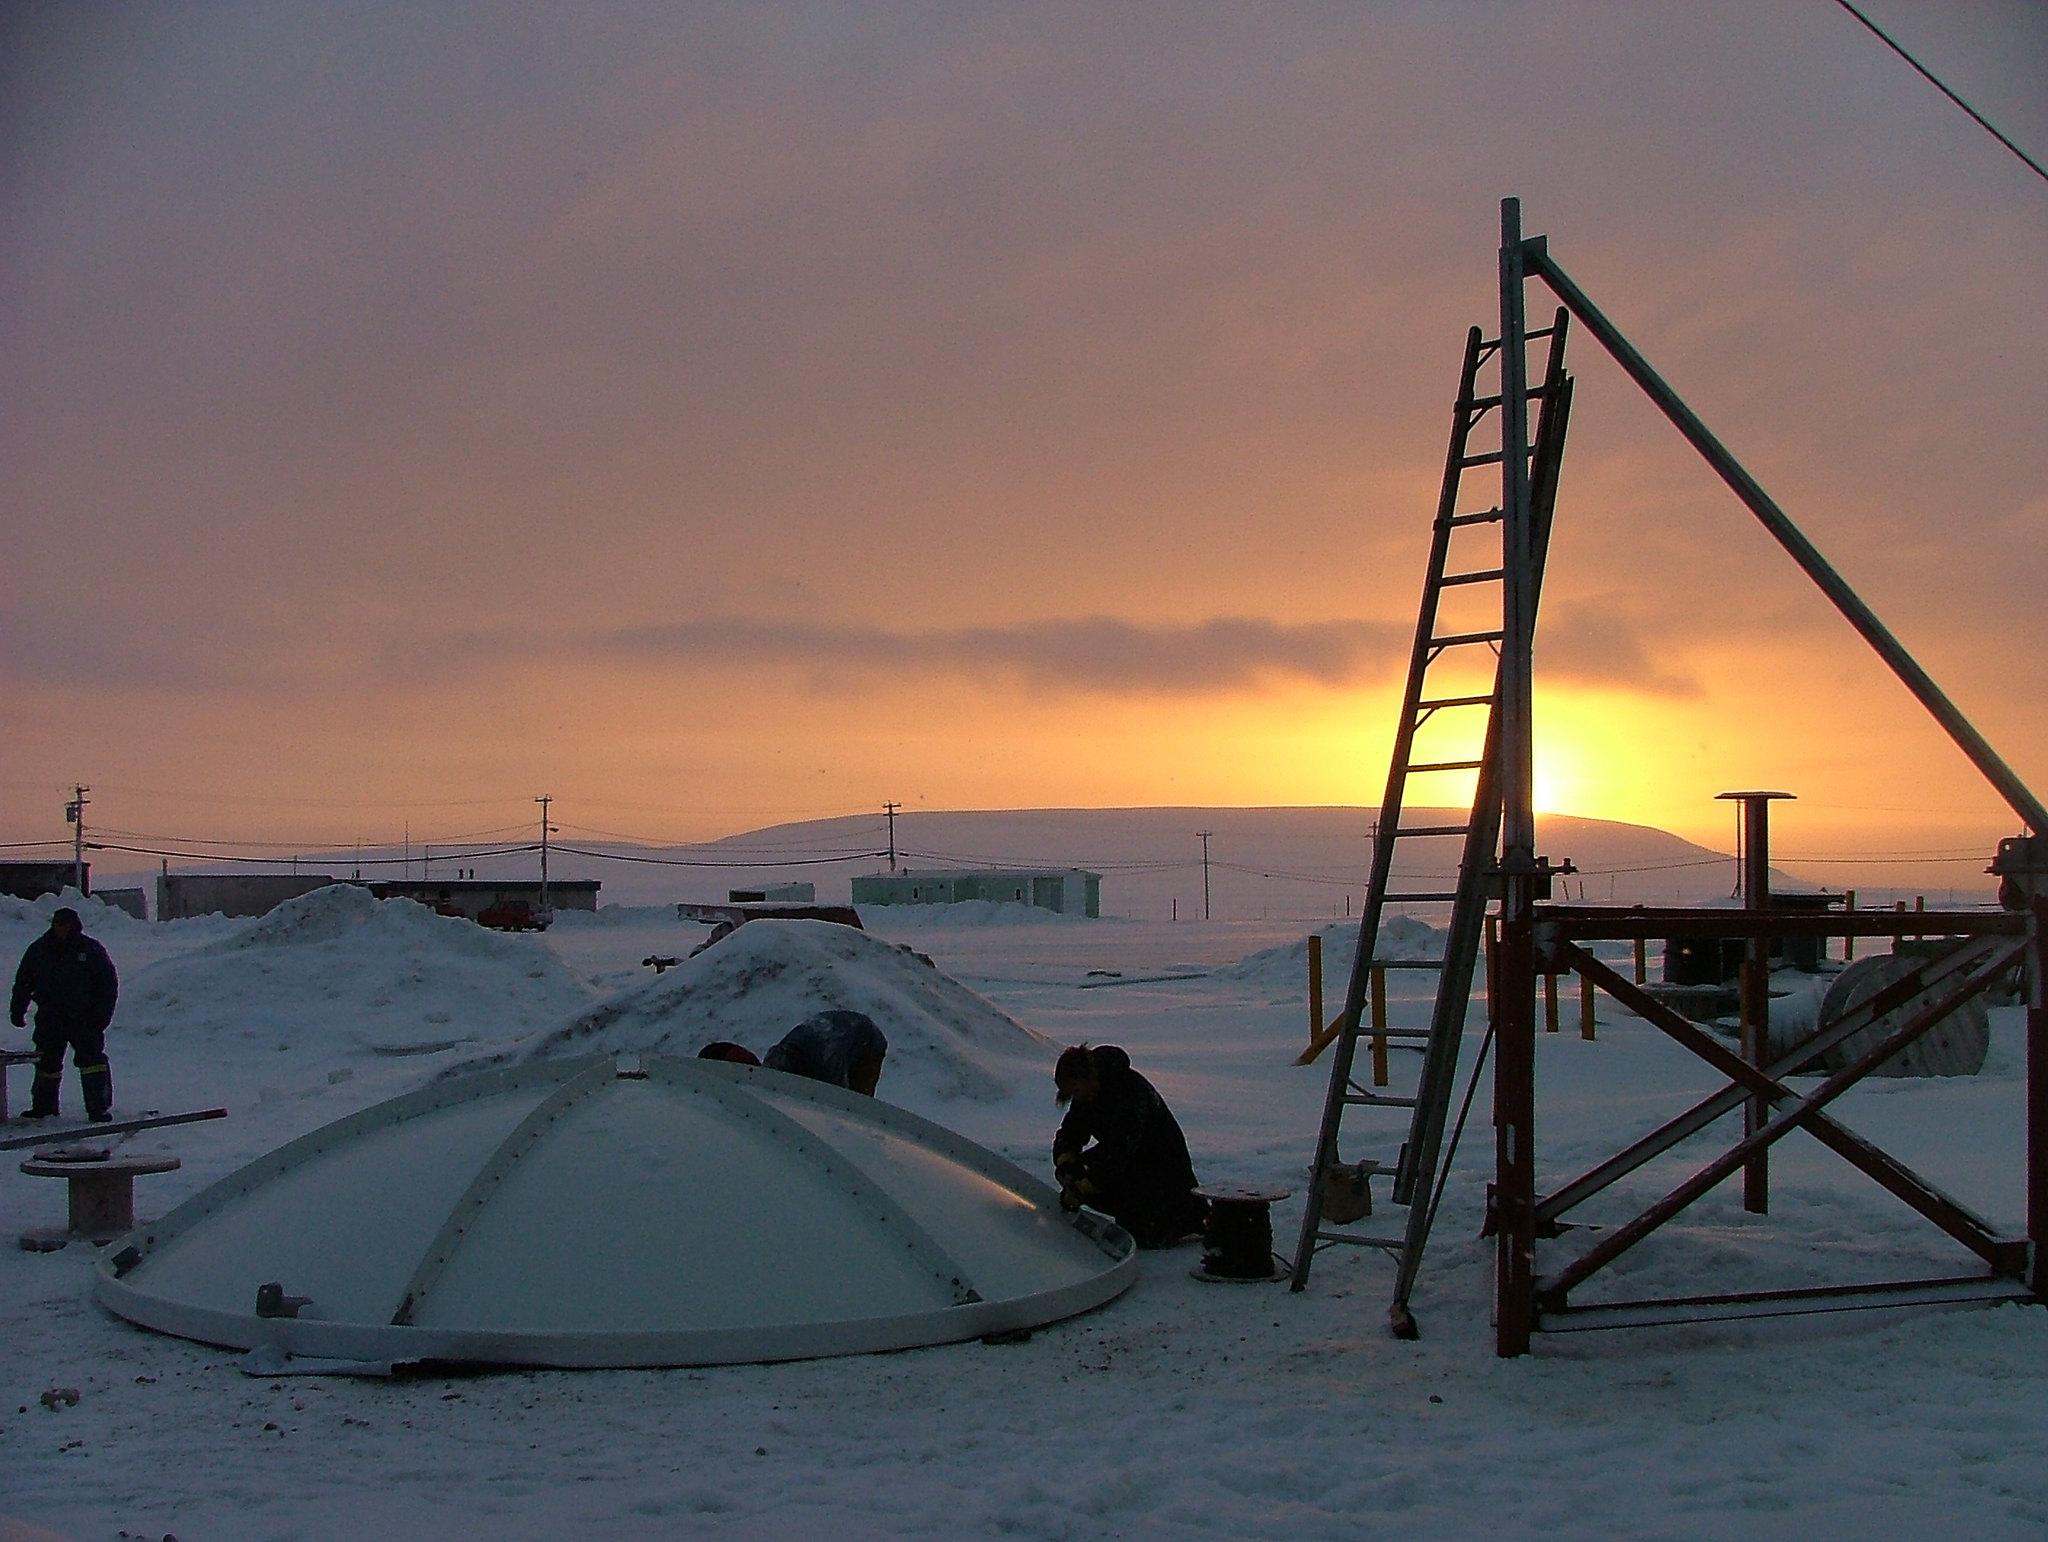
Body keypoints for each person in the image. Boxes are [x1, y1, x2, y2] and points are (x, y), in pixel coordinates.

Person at [1051, 1043, 1206, 1248]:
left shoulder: (1128, 1091)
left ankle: (1185, 1218)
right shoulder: (1087, 1095)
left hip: (1162, 1167)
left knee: (1144, 1235)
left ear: (1087, 1077)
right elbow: (1071, 1133)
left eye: (1076, 1090)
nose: (1075, 1098)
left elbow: (1121, 1150)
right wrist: (1066, 1163)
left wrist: (1084, 1188)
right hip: (1129, 1161)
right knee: (1083, 1173)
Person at [10, 907, 119, 1122]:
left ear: (74, 925)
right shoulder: (39, 950)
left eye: (65, 924)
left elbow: (107, 984)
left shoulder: (90, 950)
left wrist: (102, 1015)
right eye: (58, 924)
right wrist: (17, 1010)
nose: (61, 929)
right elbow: (23, 982)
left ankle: (98, 1108)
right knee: (47, 1062)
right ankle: (44, 1107)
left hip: (85, 1019)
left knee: (92, 1062)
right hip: (50, 1017)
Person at [763, 1009, 888, 1095]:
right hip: (839, 1030)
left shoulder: (828, 1059)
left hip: (868, 1042)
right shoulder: (785, 1049)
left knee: (858, 1103)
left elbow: (839, 1099)